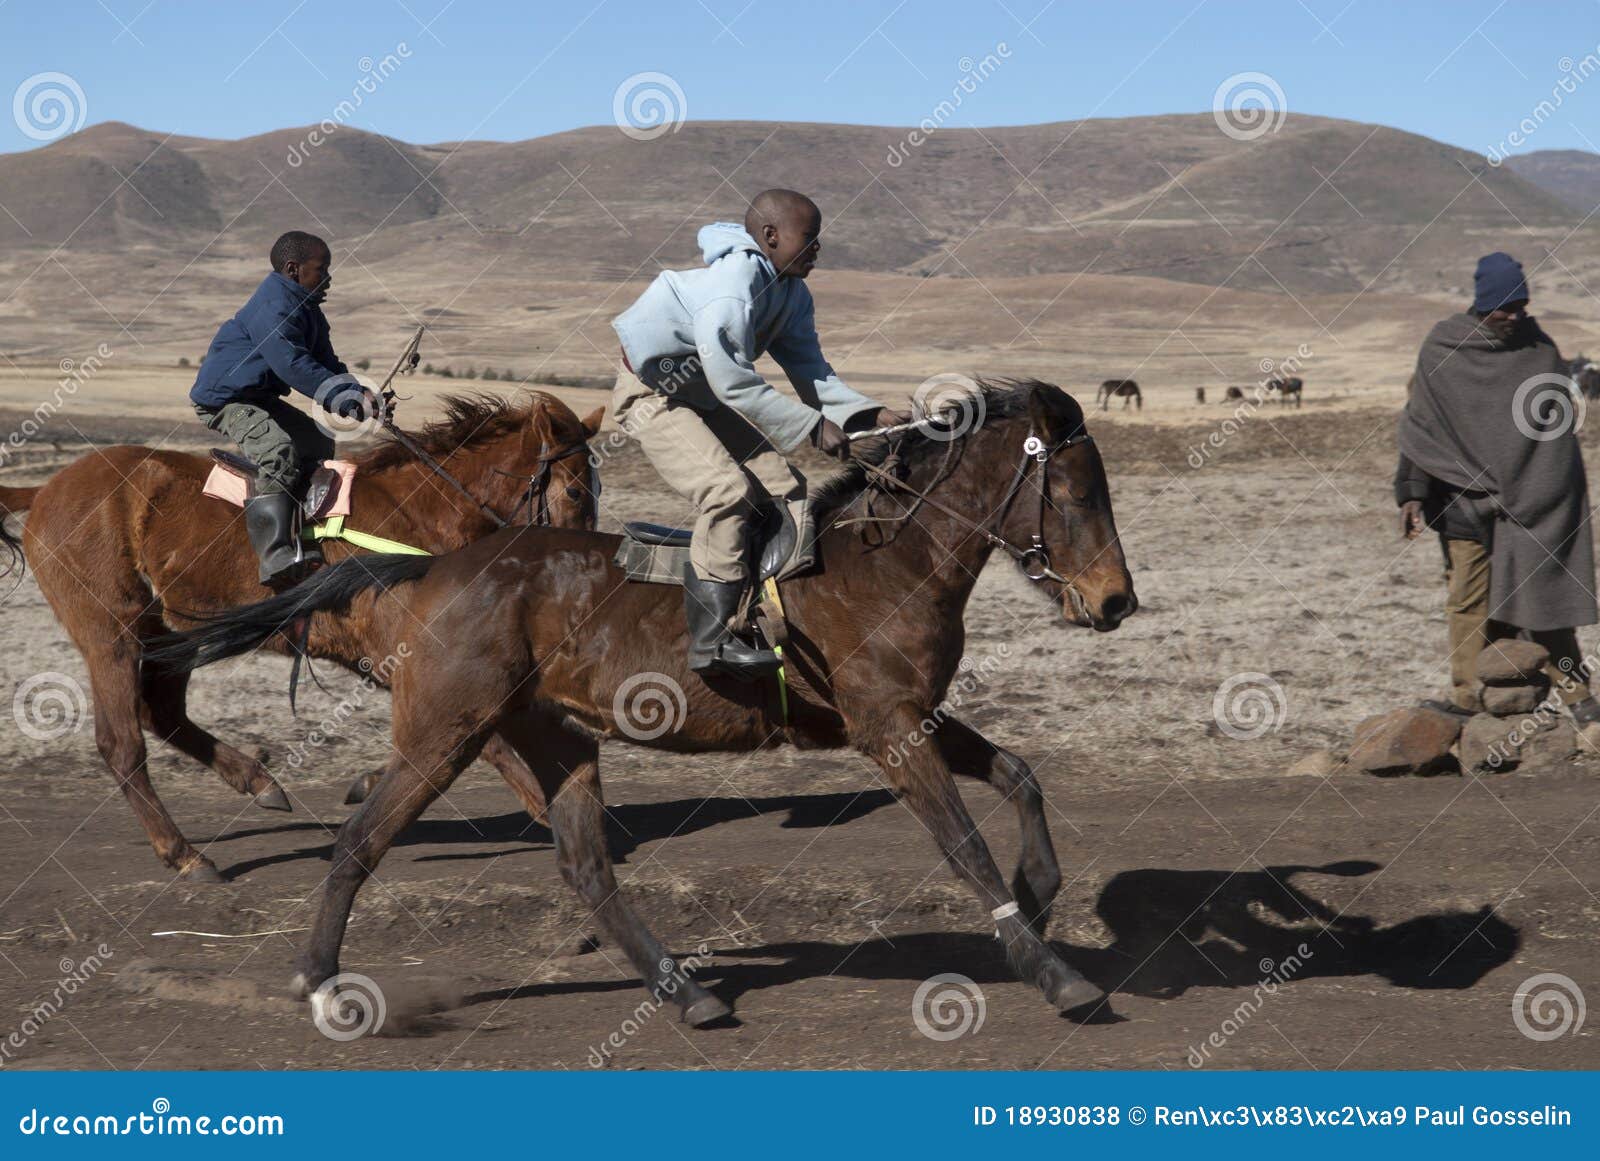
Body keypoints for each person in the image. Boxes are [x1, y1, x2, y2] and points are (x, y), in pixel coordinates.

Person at [612, 189, 905, 680]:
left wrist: (868, 415)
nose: (818, 250)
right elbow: (732, 380)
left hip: (701, 396)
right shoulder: (734, 285)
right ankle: (712, 640)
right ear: (771, 237)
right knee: (727, 492)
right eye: (809, 239)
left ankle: (759, 609)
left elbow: (811, 373)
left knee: (785, 488)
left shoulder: (792, 294)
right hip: (652, 396)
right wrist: (813, 427)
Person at [1395, 251, 1600, 737]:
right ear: (1481, 302)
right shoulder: (1442, 349)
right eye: (1502, 308)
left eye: (1520, 307)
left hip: (1532, 506)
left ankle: (1579, 697)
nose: (1512, 317)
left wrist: (1546, 494)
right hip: (1462, 503)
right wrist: (1410, 495)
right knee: (1468, 601)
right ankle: (1469, 698)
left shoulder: (1537, 350)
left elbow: (1555, 437)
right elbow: (1423, 430)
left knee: (1544, 599)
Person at [190, 230, 377, 585]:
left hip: (258, 398)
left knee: (317, 441)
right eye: (320, 270)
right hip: (226, 401)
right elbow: (292, 366)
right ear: (294, 269)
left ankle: (303, 527)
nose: (327, 278)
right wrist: (347, 399)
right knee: (278, 453)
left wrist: (361, 395)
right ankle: (274, 556)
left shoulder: (308, 311)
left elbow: (325, 363)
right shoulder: (274, 307)